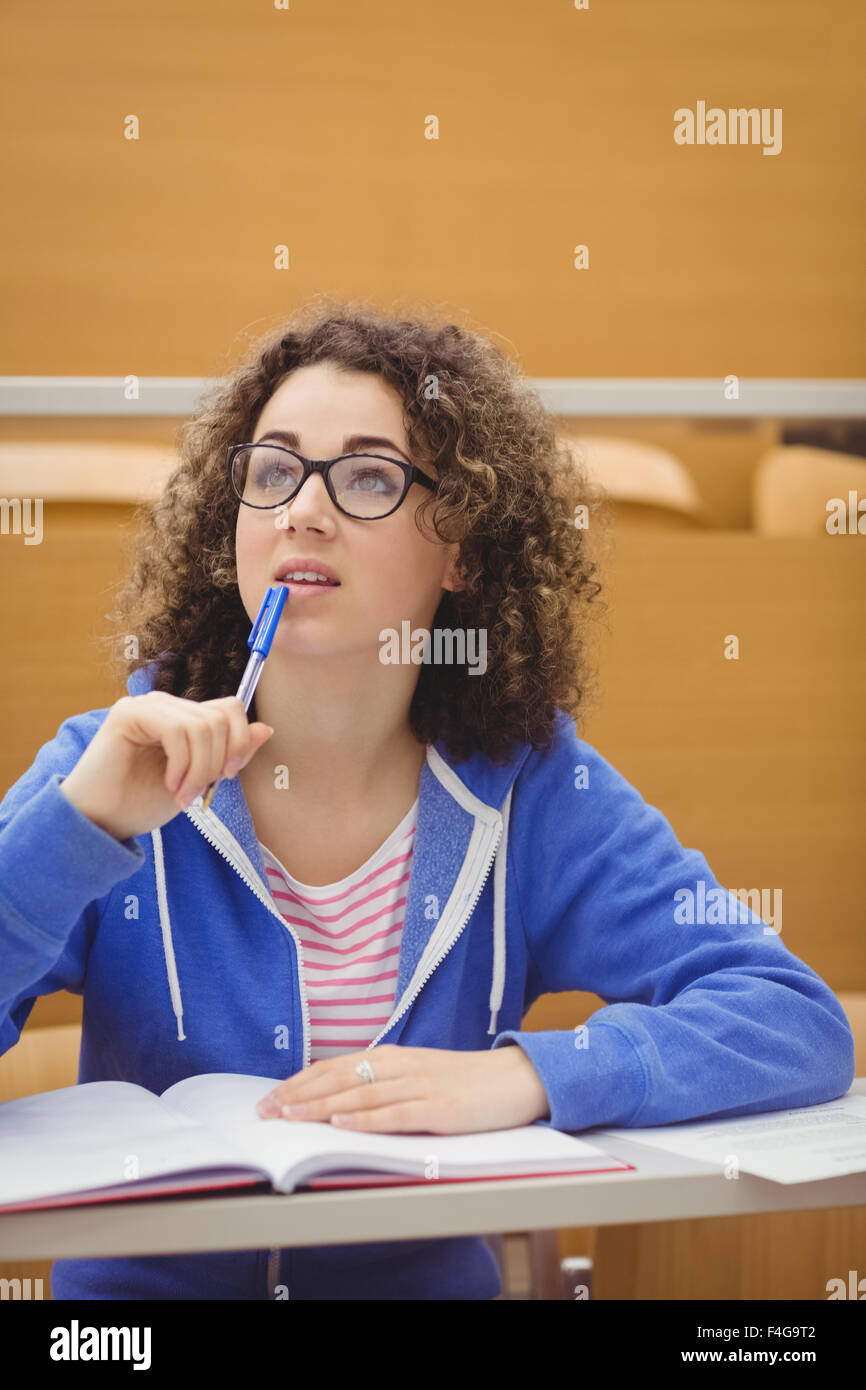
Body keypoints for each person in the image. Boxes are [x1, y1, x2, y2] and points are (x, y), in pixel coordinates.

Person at [0, 298, 854, 1300]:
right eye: (272, 470)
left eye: (367, 475)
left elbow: (790, 1017)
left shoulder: (532, 786)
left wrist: (526, 1075)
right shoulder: (110, 762)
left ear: (462, 552)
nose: (301, 511)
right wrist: (76, 831)